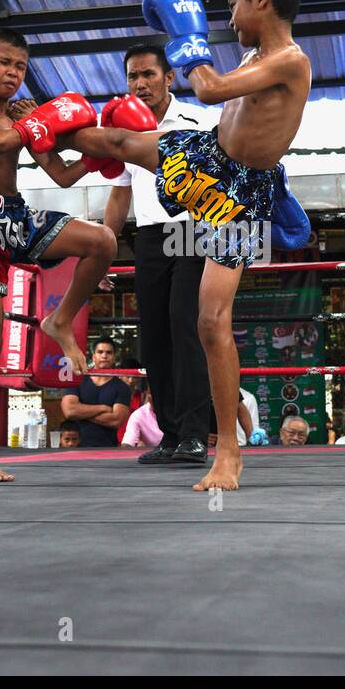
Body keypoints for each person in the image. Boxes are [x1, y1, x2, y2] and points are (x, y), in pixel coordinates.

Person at [68, 0, 312, 491]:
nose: (231, 16)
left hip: (238, 194)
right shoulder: (258, 53)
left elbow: (208, 89)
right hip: (209, 157)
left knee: (207, 321)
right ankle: (37, 128)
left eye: (234, 4)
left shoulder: (291, 60)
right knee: (118, 141)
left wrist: (187, 32)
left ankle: (226, 452)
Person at [0, 26, 117, 482]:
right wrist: (41, 121)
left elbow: (62, 176)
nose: (13, 73)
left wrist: (103, 154)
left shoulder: (25, 116)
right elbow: (0, 141)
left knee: (103, 241)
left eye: (21, 66)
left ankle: (59, 321)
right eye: (4, 63)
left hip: (15, 217)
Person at [102, 44, 214, 466]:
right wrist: (104, 251)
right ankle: (170, 434)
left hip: (194, 229)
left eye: (148, 74)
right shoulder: (124, 130)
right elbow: (119, 193)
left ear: (169, 77)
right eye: (132, 76)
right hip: (149, 236)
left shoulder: (200, 119)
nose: (139, 83)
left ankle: (195, 434)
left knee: (185, 327)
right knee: (155, 336)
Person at [60, 337, 134, 448]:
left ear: (114, 357)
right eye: (100, 352)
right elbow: (70, 411)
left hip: (107, 449)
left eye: (109, 352)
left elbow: (116, 420)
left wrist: (81, 413)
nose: (104, 356)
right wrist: (103, 408)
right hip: (76, 449)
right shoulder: (77, 380)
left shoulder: (122, 387)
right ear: (93, 356)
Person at [122, 380, 164, 448]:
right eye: (151, 393)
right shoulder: (138, 415)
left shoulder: (181, 411)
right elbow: (127, 443)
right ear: (146, 394)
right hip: (153, 456)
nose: (156, 397)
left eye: (161, 394)